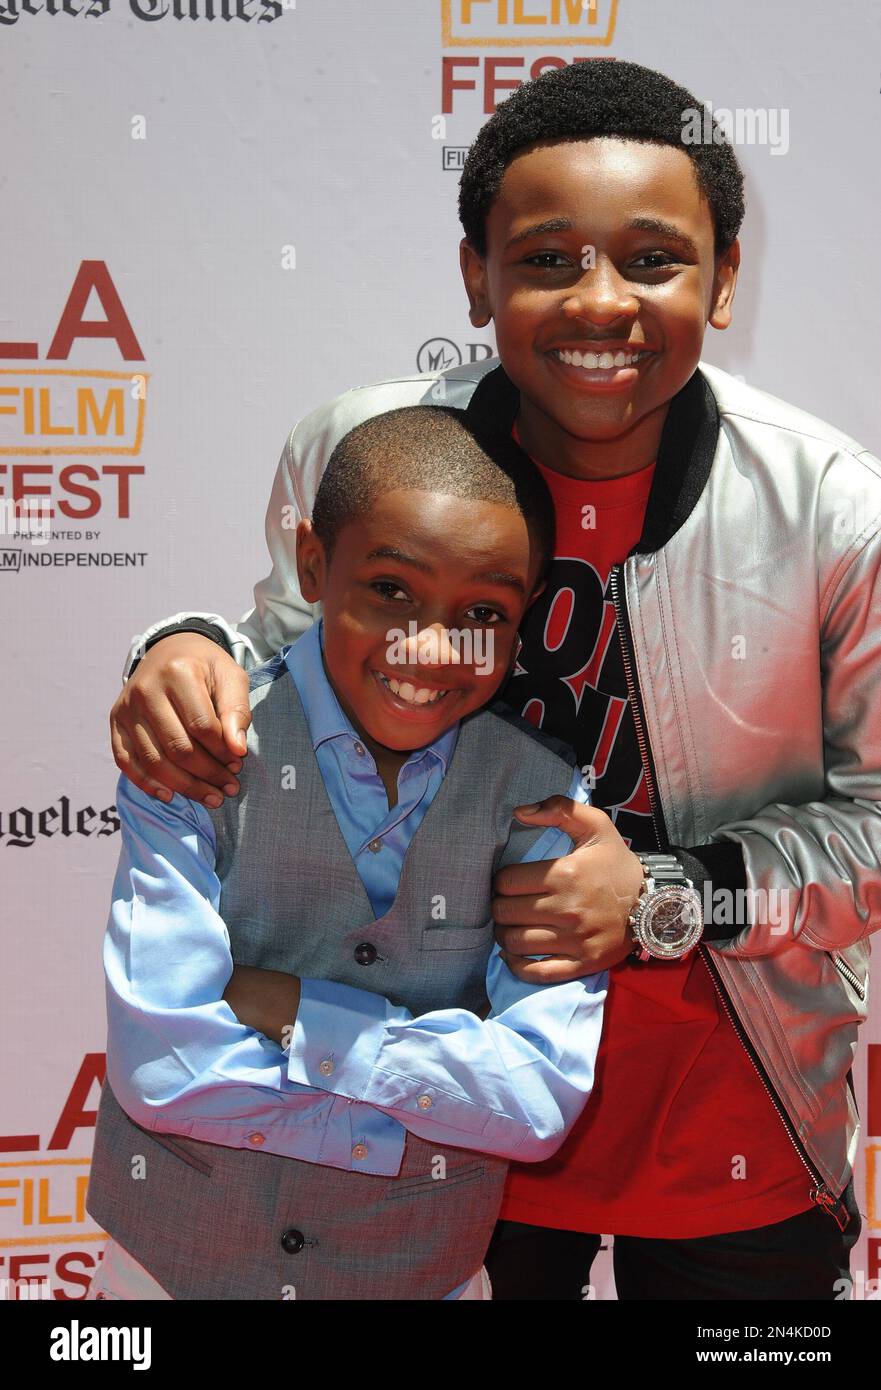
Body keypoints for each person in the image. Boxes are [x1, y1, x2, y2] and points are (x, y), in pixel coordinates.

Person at [108, 59, 877, 1300]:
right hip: (434, 1139)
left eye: (653, 258)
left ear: (725, 275)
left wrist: (665, 895)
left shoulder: (831, 510)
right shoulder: (365, 445)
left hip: (734, 1136)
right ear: (476, 275)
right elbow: (276, 653)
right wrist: (176, 645)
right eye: (547, 259)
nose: (601, 303)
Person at [84, 405, 608, 1301]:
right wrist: (408, 1117)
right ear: (316, 565)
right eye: (391, 591)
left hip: (421, 1276)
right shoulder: (197, 744)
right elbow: (165, 1070)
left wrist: (286, 1008)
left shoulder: (540, 798)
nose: (433, 647)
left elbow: (533, 1104)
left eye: (483, 611)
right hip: (164, 1274)